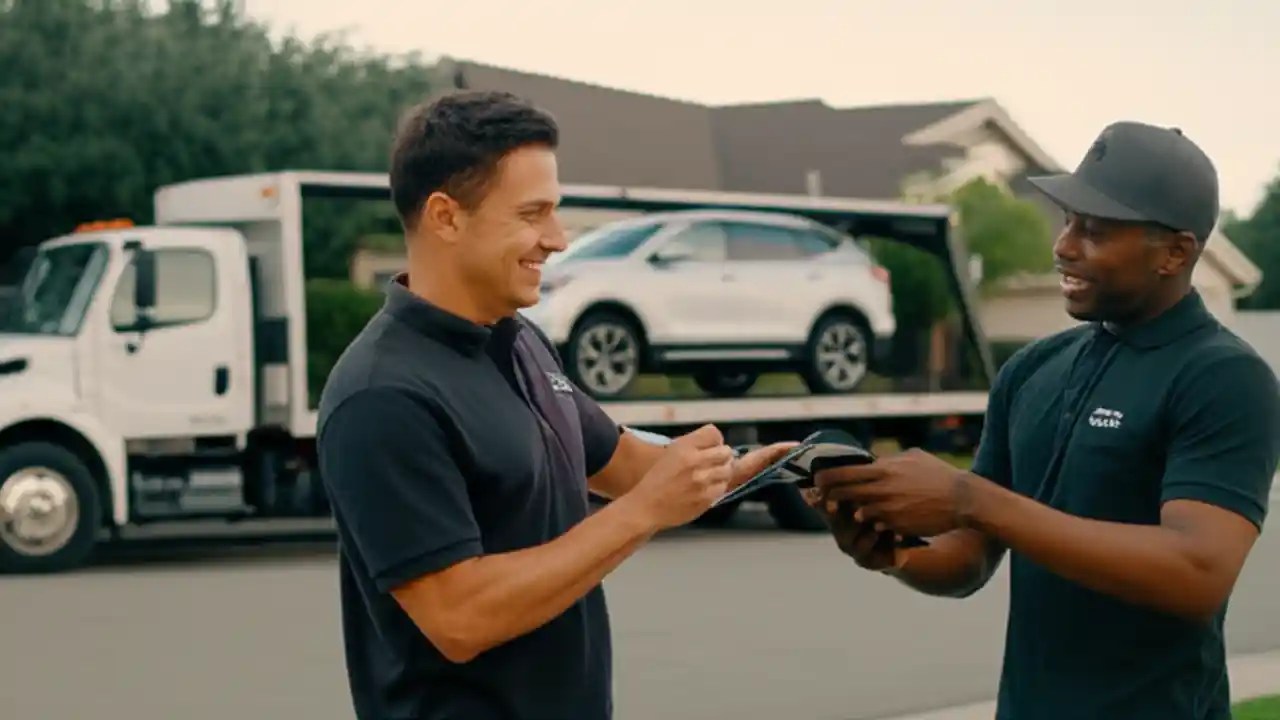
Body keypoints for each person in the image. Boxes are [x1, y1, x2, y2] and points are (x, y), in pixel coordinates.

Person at [314, 89, 794, 720]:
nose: (558, 239)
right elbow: (459, 617)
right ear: (446, 217)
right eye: (532, 214)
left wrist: (741, 473)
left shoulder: (520, 340)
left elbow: (616, 459)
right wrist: (645, 513)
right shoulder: (382, 396)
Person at [810, 121, 1280, 719]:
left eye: (1096, 230)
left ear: (1176, 252)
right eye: (1068, 221)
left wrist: (969, 497)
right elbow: (969, 561)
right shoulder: (1034, 369)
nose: (1064, 246)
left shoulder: (1223, 377)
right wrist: (888, 549)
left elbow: (1197, 573)